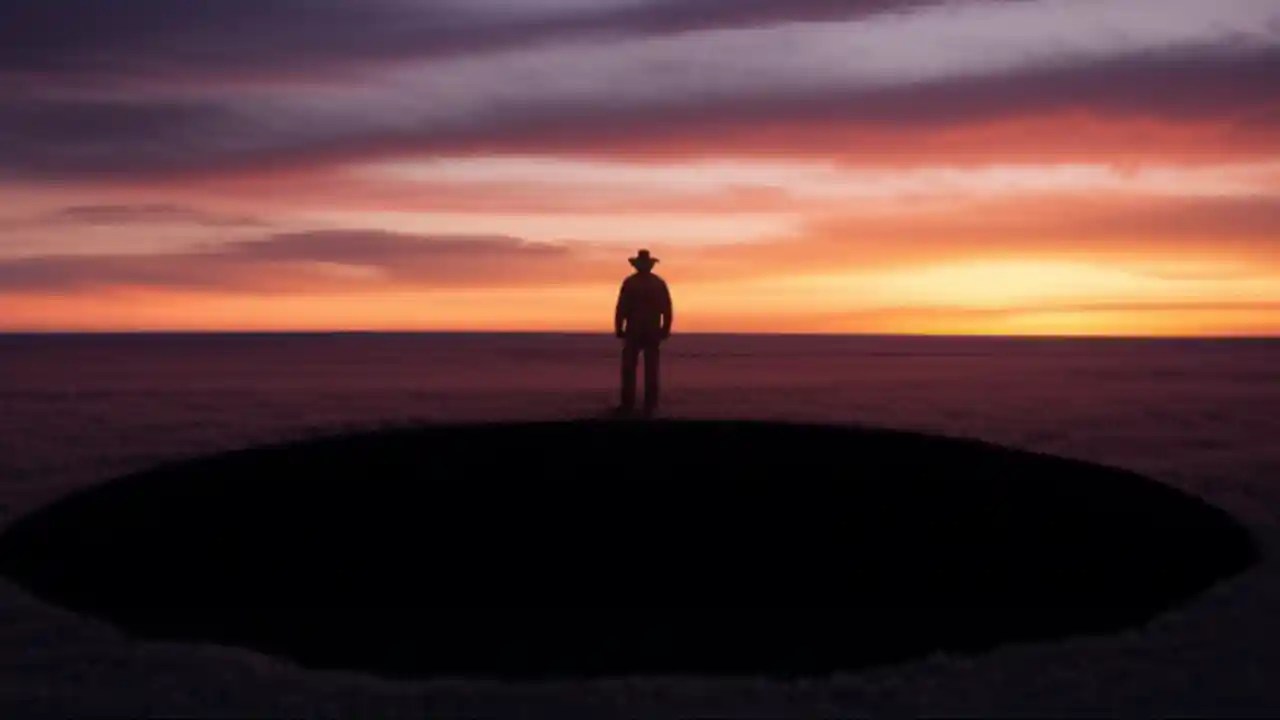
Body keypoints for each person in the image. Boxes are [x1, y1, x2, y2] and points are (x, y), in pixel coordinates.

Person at [614, 249, 673, 416]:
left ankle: (629, 402)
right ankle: (650, 403)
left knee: (630, 368)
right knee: (651, 368)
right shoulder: (658, 283)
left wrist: (619, 327)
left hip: (634, 329)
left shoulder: (630, 283)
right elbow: (667, 308)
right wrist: (665, 328)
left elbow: (622, 307)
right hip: (651, 329)